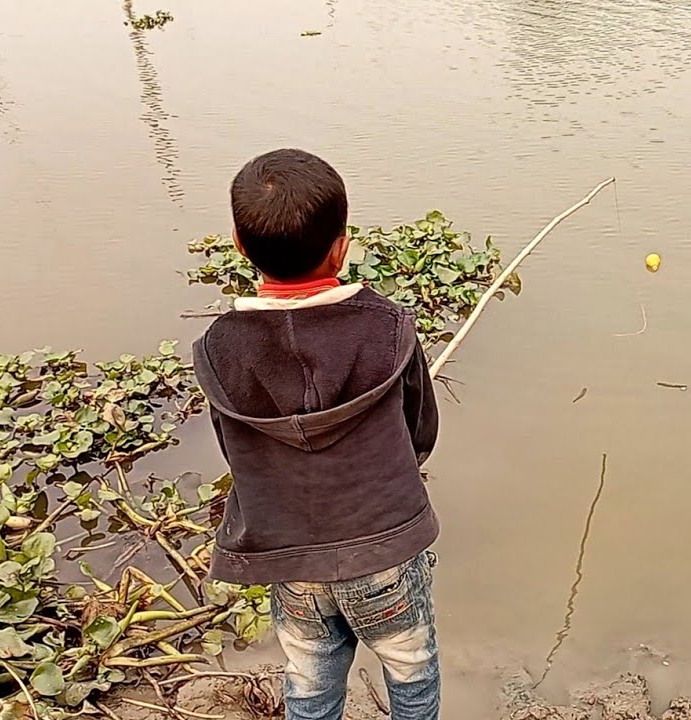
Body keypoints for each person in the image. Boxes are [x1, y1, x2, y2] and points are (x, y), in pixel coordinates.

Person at [192, 148, 441, 720]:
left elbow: (235, 450)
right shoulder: (391, 328)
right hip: (384, 553)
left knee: (308, 682)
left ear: (237, 242)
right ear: (342, 245)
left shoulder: (216, 349)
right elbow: (421, 430)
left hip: (289, 557)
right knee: (412, 674)